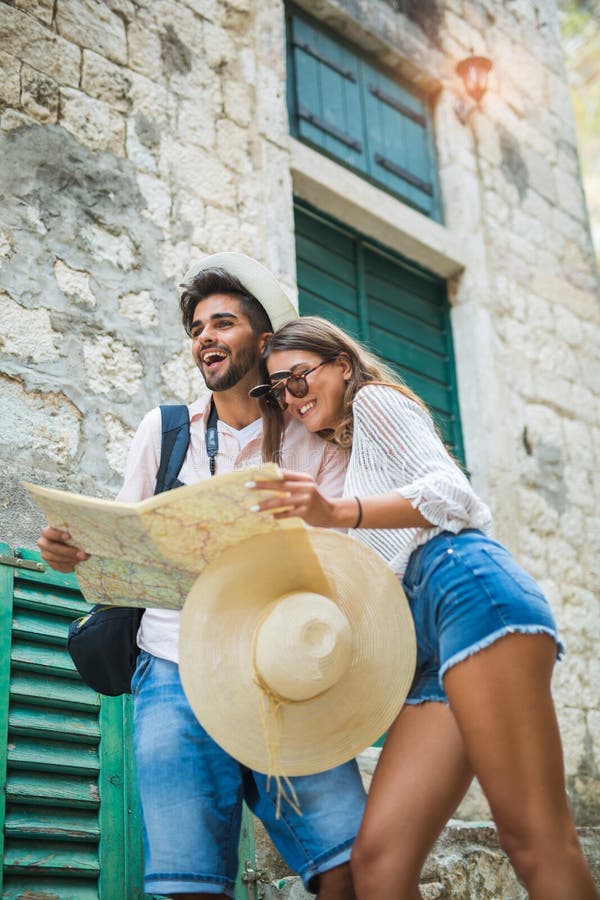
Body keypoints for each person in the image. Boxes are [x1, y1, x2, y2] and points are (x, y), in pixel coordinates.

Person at [37, 257, 366, 900]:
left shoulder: (317, 440)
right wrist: (72, 553)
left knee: (350, 869)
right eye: (195, 328)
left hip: (287, 672)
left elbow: (345, 564)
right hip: (171, 669)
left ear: (266, 339)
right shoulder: (164, 432)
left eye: (223, 322)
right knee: (186, 885)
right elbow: (120, 549)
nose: (204, 338)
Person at [248, 315, 599, 900]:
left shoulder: (376, 401)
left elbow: (452, 493)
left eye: (300, 378)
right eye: (278, 390)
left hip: (465, 589)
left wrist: (339, 514)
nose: (292, 398)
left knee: (533, 836)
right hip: (423, 651)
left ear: (341, 364)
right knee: (380, 864)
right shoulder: (343, 457)